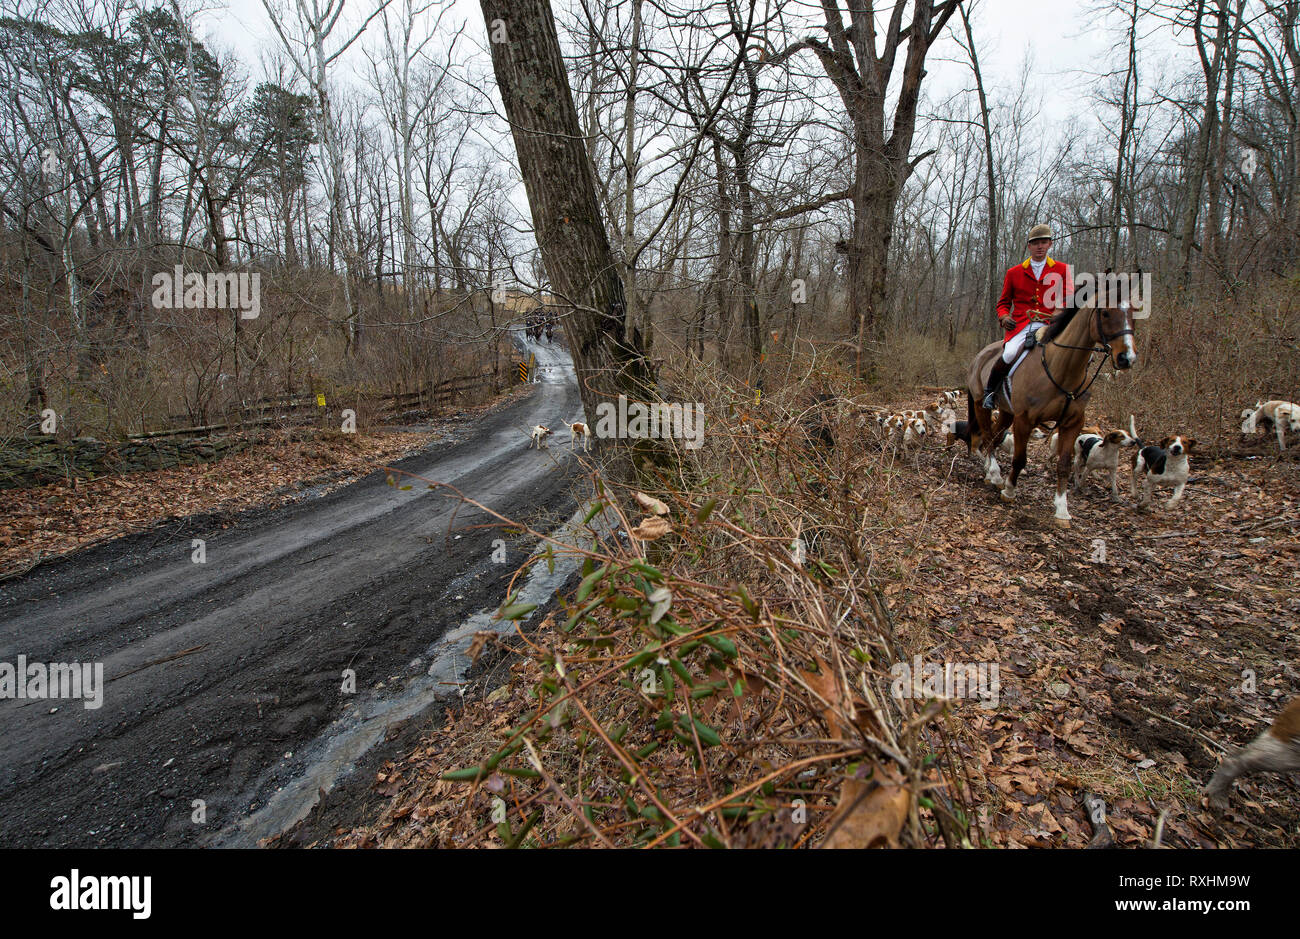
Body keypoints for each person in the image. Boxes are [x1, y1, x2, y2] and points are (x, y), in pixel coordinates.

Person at [982, 224, 1074, 410]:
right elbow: (1003, 303)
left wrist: (1059, 311)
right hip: (1022, 324)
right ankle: (990, 392)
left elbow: (1068, 298)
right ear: (1029, 246)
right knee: (1008, 354)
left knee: (1071, 350)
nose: (1039, 246)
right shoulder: (1014, 272)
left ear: (1050, 244)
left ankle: (1072, 393)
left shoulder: (1062, 269)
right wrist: (1004, 317)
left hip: (1051, 322)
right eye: (1035, 243)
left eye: (1043, 242)